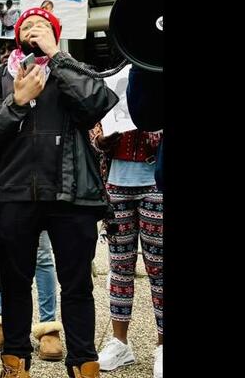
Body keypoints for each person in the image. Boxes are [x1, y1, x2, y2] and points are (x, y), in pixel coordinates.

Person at [0, 7, 118, 378]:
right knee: (15, 285)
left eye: (43, 27)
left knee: (77, 284)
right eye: (27, 26)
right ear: (16, 36)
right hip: (12, 196)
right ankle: (16, 362)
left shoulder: (71, 70)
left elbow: (99, 103)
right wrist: (15, 102)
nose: (34, 30)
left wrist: (59, 59)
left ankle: (83, 363)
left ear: (56, 34)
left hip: (71, 196)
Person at [0, 41, 63, 362]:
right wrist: (14, 100)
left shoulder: (48, 77)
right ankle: (4, 322)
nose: (11, 58)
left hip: (37, 183)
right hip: (2, 185)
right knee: (3, 257)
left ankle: (49, 326)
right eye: (5, 52)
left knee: (41, 256)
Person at [92, 127, 164, 378]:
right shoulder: (109, 85)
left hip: (157, 181)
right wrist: (99, 140)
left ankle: (162, 345)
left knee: (159, 269)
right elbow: (95, 130)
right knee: (120, 269)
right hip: (116, 182)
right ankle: (120, 343)